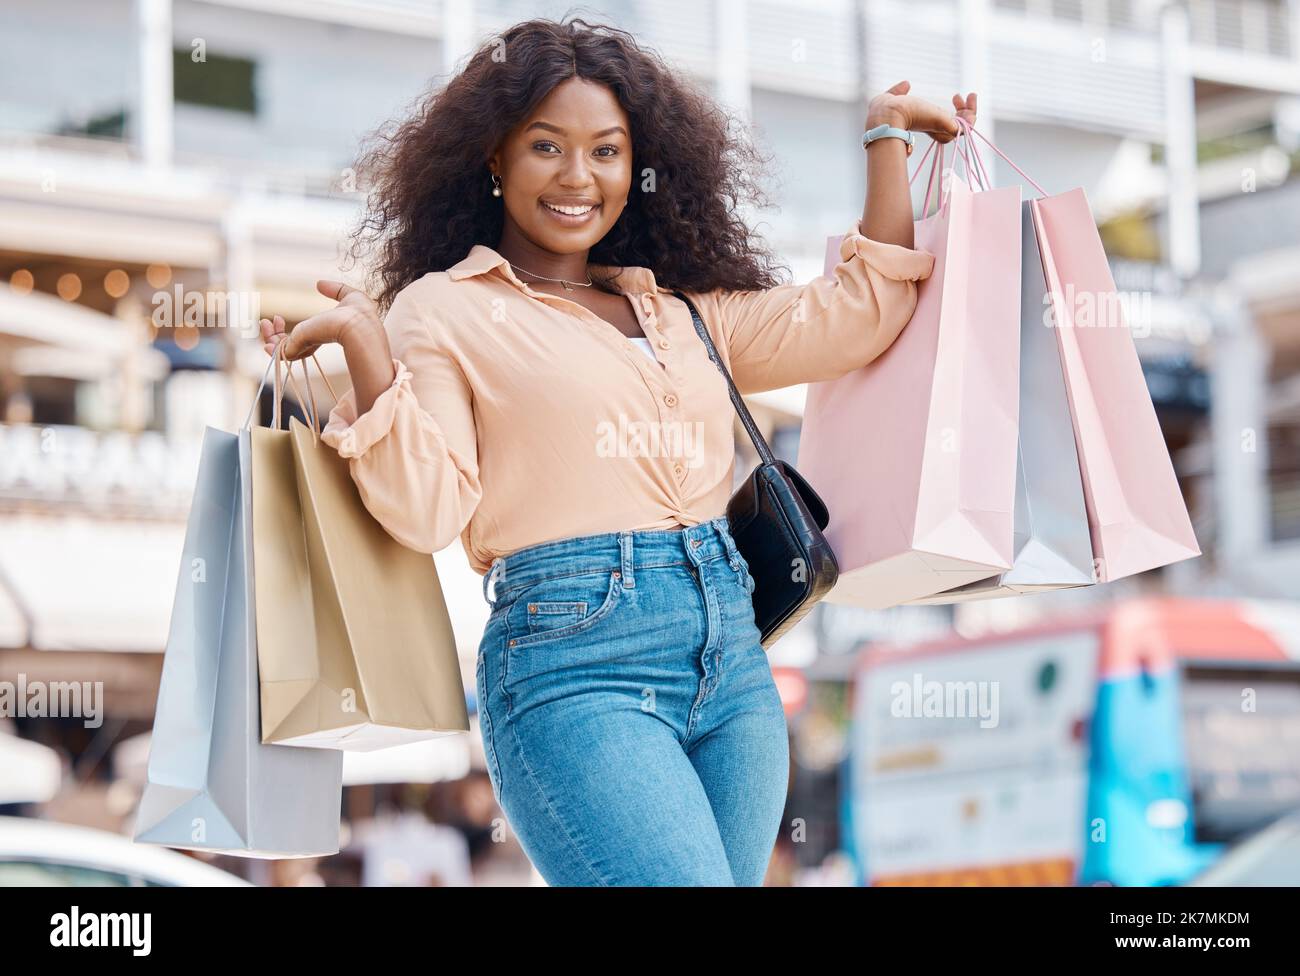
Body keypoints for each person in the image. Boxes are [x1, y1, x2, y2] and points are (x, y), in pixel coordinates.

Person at [260, 16, 975, 886]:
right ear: (495, 157)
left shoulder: (679, 310)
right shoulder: (442, 308)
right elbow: (426, 509)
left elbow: (862, 313)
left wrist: (885, 136)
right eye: (546, 146)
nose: (577, 177)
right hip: (575, 663)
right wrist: (370, 354)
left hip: (735, 663)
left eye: (605, 152)